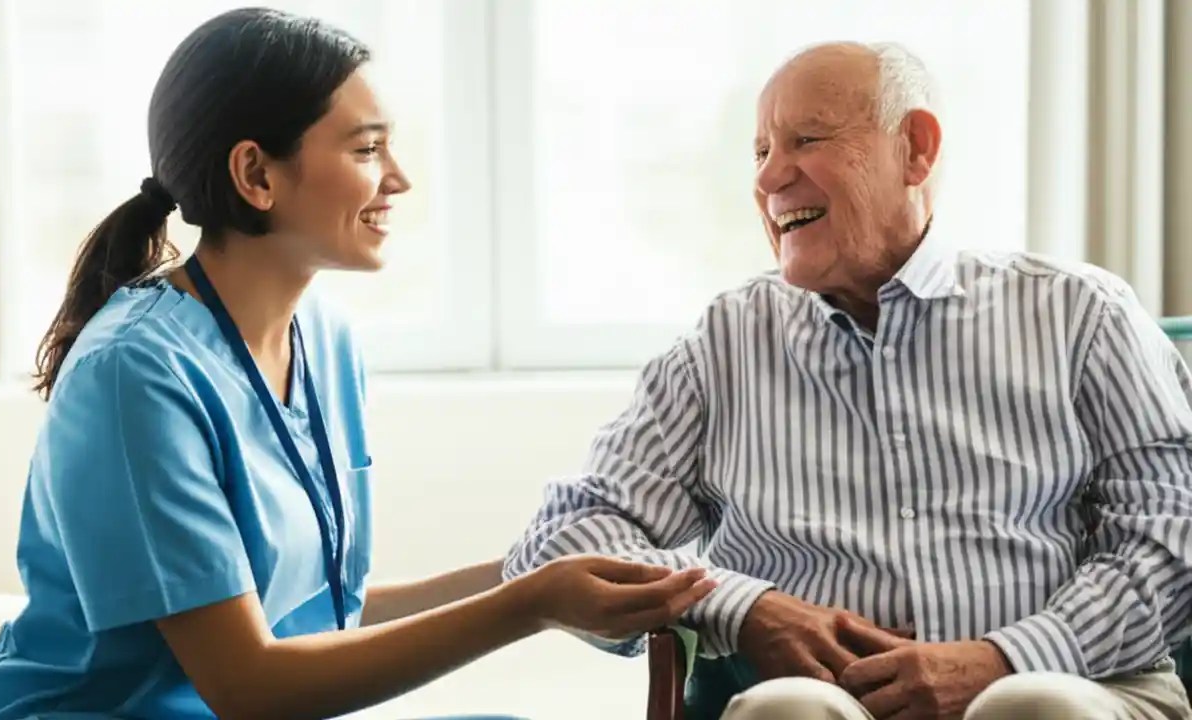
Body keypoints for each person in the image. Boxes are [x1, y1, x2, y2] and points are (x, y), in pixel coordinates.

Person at [0, 9, 717, 720]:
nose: (398, 179)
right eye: (366, 149)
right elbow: (247, 682)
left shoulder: (324, 341)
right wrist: (529, 605)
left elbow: (324, 612)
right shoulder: (133, 374)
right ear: (256, 175)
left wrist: (535, 571)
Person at [503, 41, 1192, 719]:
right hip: (826, 701)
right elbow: (561, 543)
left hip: (1077, 684)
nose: (770, 178)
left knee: (1033, 705)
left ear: (916, 148)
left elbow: (1173, 536)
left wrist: (1007, 658)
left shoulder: (1080, 313)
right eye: (760, 152)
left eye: (805, 139)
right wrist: (740, 606)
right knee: (790, 710)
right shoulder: (725, 344)